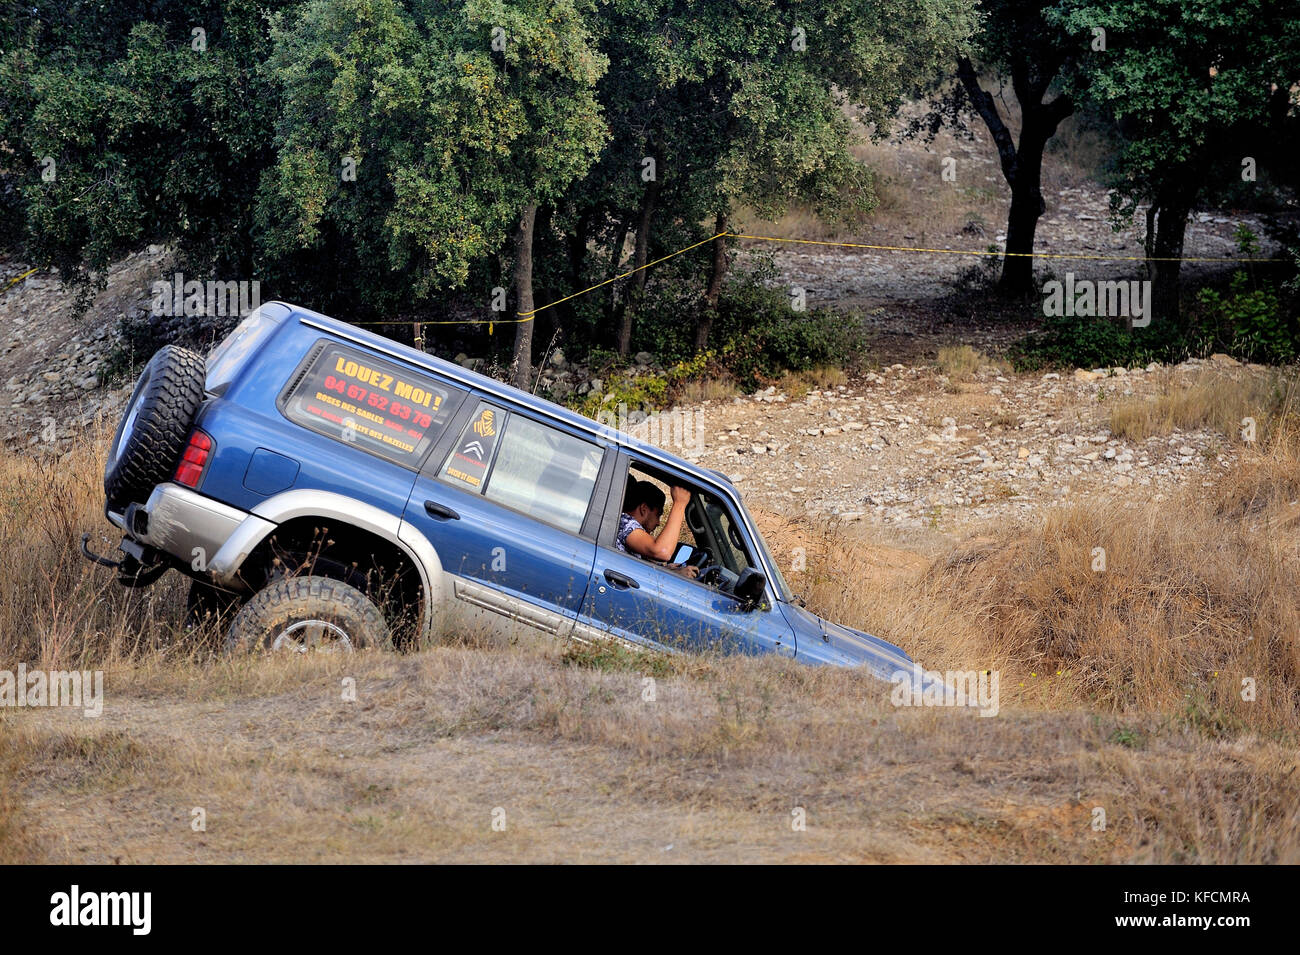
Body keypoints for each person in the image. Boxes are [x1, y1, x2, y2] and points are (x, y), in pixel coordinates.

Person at [616, 479, 695, 571]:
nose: (658, 523)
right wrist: (680, 503)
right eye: (658, 515)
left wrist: (669, 570)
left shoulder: (624, 526)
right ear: (644, 509)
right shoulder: (624, 523)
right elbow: (662, 551)